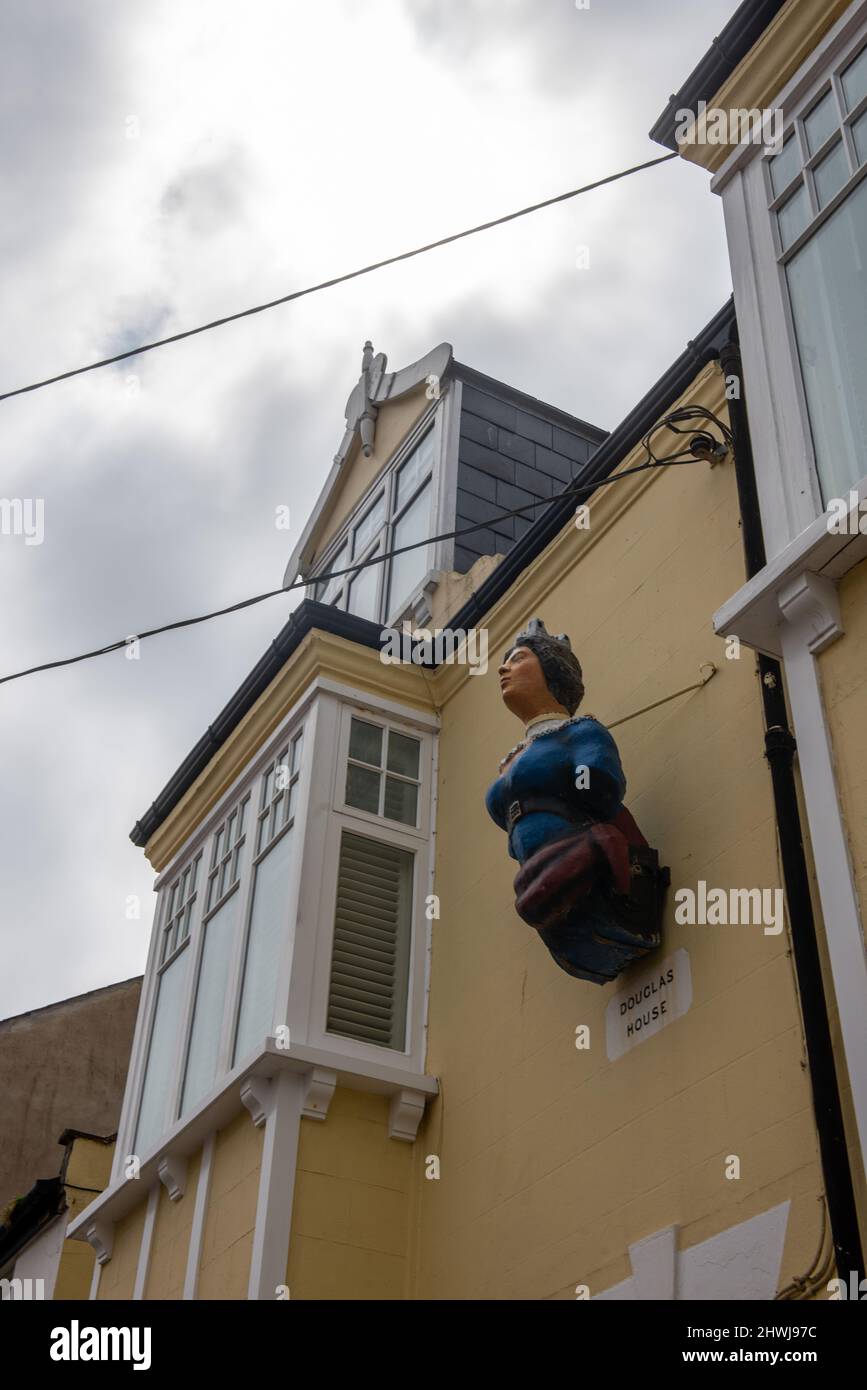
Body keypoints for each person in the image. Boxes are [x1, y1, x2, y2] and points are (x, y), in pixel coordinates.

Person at [485, 619, 667, 984]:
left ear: (551, 671)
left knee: (537, 901)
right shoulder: (510, 758)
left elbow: (601, 788)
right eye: (505, 661)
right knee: (534, 904)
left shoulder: (580, 731)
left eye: (518, 659)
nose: (504, 668)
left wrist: (581, 778)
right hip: (536, 868)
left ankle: (611, 877)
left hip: (576, 855)